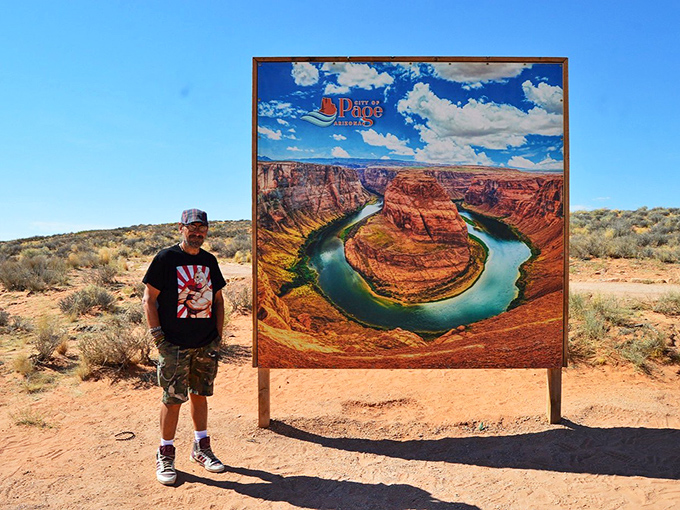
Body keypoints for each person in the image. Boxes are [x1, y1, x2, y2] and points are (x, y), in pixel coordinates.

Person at [142, 209, 227, 485]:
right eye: (192, 227)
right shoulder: (166, 259)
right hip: (173, 345)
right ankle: (165, 452)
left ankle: (201, 448)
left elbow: (218, 300)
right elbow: (149, 299)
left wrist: (217, 335)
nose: (197, 232)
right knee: (172, 398)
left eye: (202, 228)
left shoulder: (209, 261)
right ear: (181, 228)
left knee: (200, 394)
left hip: (205, 344)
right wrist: (158, 338)